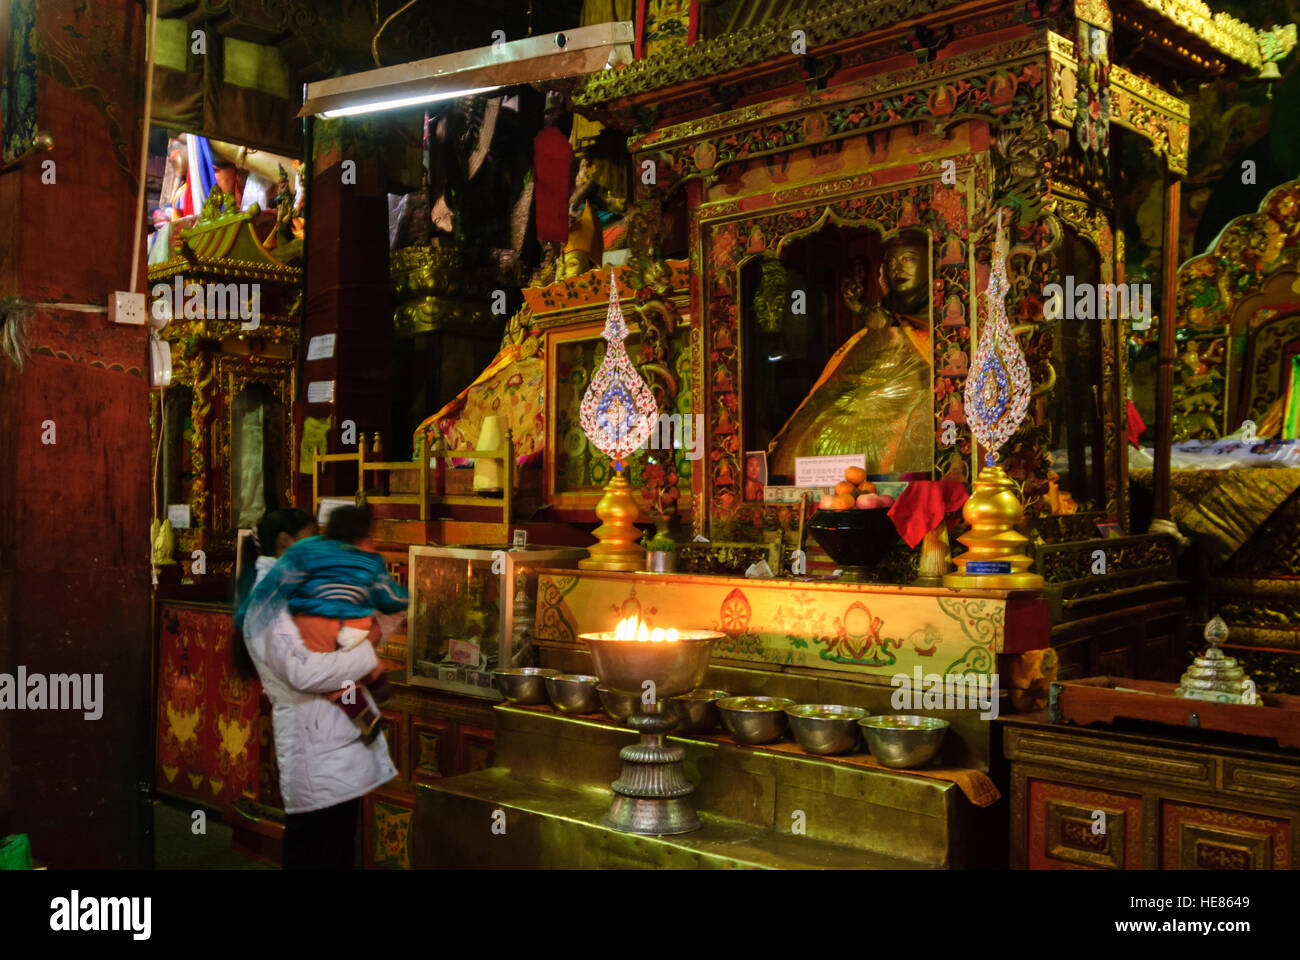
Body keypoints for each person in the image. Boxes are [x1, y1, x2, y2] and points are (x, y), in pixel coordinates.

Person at [236, 507, 398, 870]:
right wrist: (366, 659)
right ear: (285, 543)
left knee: (336, 848)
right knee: (315, 850)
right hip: (313, 747)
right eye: (313, 536)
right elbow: (303, 672)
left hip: (336, 746)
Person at [239, 505, 408, 741]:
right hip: (345, 633)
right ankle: (375, 685)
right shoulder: (364, 559)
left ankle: (363, 711)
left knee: (343, 677)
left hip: (321, 630)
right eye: (311, 533)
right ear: (286, 540)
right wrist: (406, 599)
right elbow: (389, 597)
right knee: (346, 669)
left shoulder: (304, 559)